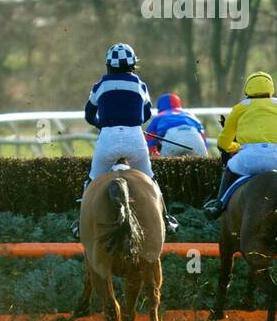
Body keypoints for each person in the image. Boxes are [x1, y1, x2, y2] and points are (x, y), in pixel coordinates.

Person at [80, 43, 177, 234]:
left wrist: (102, 124)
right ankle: (165, 218)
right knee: (150, 180)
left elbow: (89, 115)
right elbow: (146, 114)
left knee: (91, 182)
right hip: (135, 139)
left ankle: (79, 222)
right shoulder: (140, 84)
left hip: (108, 139)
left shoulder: (99, 85)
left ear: (109, 65)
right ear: (133, 65)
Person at [203, 71, 277, 219]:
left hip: (249, 158)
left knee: (229, 167)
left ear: (247, 89)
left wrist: (236, 147)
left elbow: (223, 142)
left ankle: (218, 204)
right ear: (271, 88)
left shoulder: (240, 107)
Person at [146, 93, 209, 157]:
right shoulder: (190, 114)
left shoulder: (160, 116)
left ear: (160, 106)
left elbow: (150, 137)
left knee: (167, 166)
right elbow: (202, 135)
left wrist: (153, 155)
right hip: (196, 141)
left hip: (172, 140)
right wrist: (205, 150)